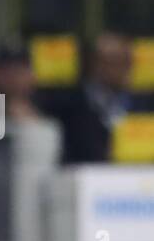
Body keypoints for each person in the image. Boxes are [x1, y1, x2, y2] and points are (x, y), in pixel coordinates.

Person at [47, 32, 147, 164]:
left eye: (128, 62)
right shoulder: (70, 106)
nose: (125, 69)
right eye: (116, 62)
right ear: (96, 64)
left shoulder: (144, 106)